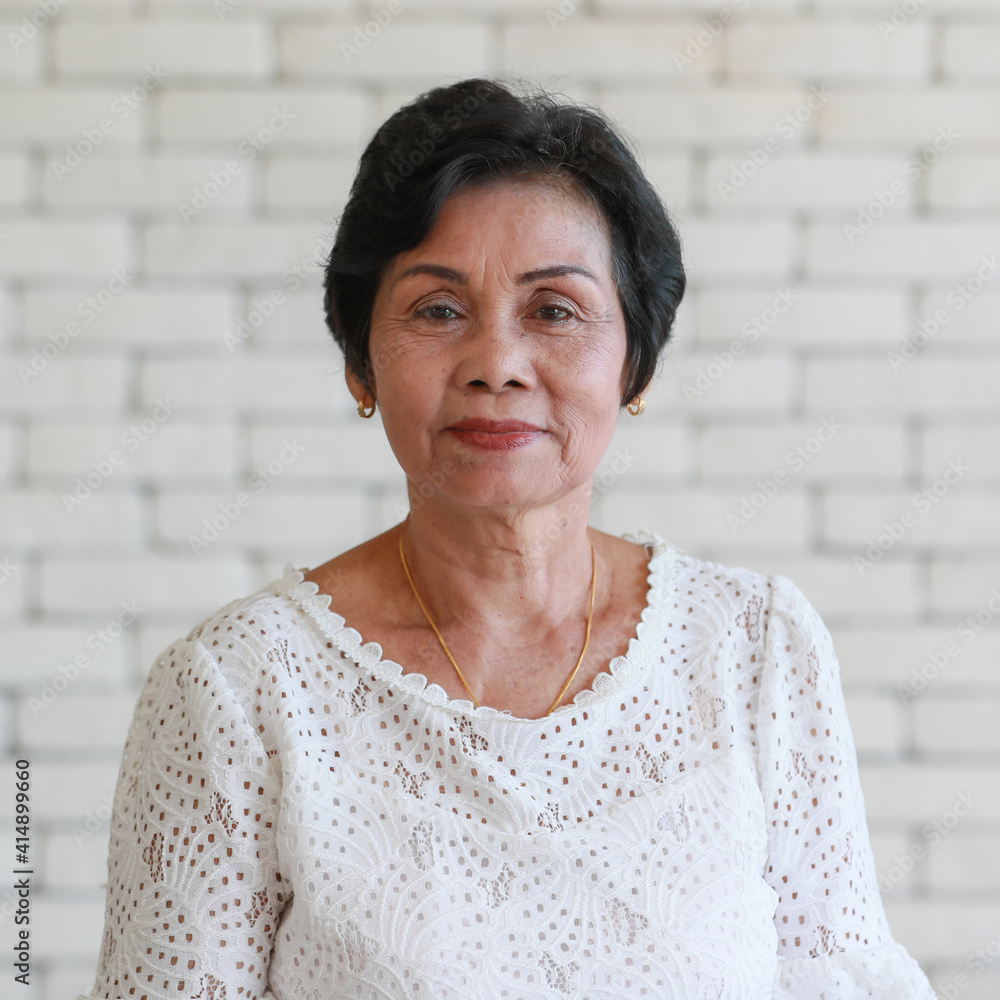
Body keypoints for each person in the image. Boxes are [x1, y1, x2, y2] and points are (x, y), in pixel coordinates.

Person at [78, 77, 936, 1000]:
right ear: (360, 363)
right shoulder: (237, 688)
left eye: (554, 310)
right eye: (438, 310)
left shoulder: (755, 646)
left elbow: (842, 976)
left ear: (636, 364)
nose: (496, 365)